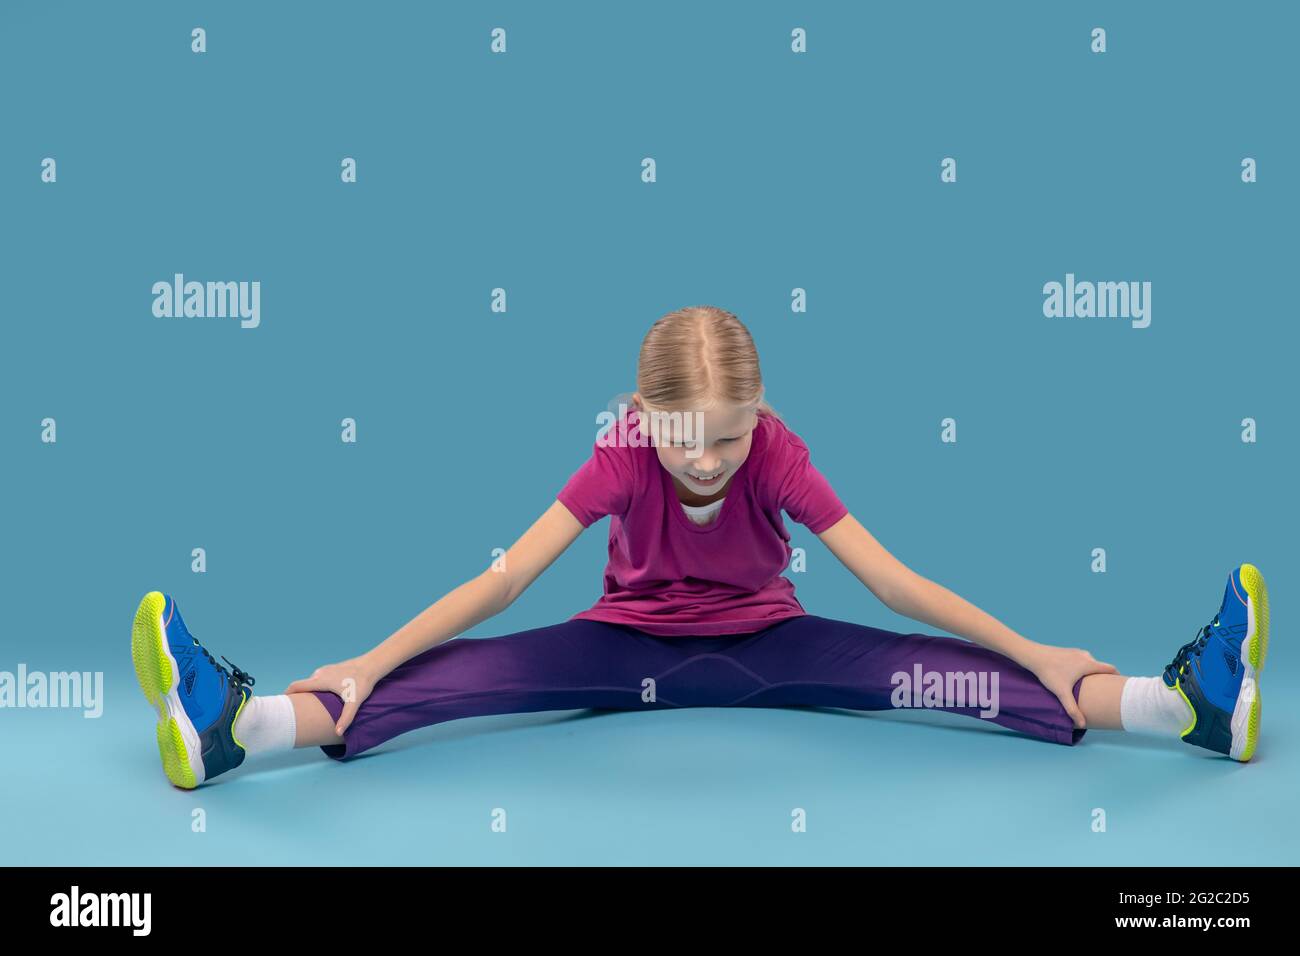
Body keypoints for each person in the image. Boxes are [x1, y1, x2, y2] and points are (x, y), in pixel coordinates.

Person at [129, 305, 1270, 789]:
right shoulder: (622, 448)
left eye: (726, 438)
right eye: (685, 442)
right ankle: (241, 725)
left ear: (759, 414)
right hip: (614, 645)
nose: (708, 462)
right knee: (431, 685)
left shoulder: (774, 448)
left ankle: (1185, 709)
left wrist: (1033, 642)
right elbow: (510, 575)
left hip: (777, 641)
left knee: (973, 680)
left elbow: (889, 578)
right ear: (639, 412)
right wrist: (369, 659)